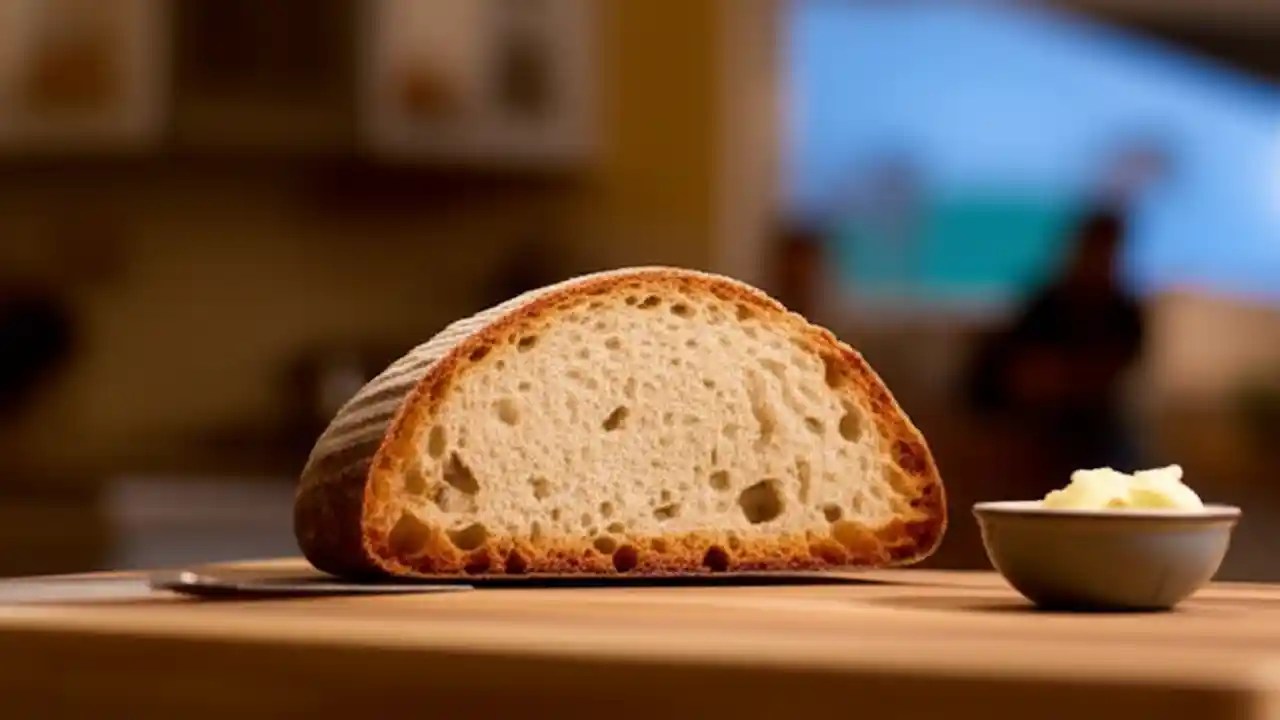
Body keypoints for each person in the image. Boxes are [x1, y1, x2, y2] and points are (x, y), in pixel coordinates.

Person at [964, 209, 1145, 485]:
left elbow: (1116, 368)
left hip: (1092, 424)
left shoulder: (1123, 310)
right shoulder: (1046, 303)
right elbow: (1012, 366)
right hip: (1034, 420)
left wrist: (1070, 379)